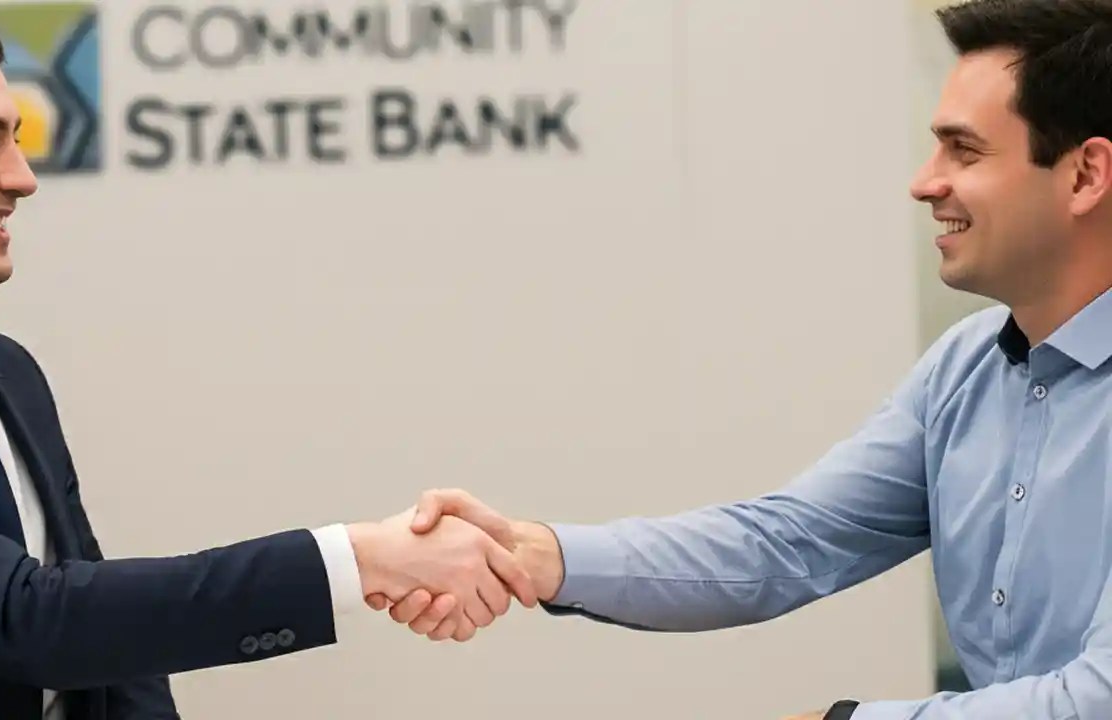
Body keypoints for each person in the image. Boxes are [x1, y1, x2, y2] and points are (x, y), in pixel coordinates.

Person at [374, 0, 1112, 717]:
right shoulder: (963, 371)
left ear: (1085, 175)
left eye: (965, 149)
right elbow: (784, 543)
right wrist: (534, 555)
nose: (925, 182)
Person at [0, 1, 535, 718]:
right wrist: (360, 559)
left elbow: (104, 646)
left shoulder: (5, 371)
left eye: (16, 141)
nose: (21, 178)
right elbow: (30, 619)